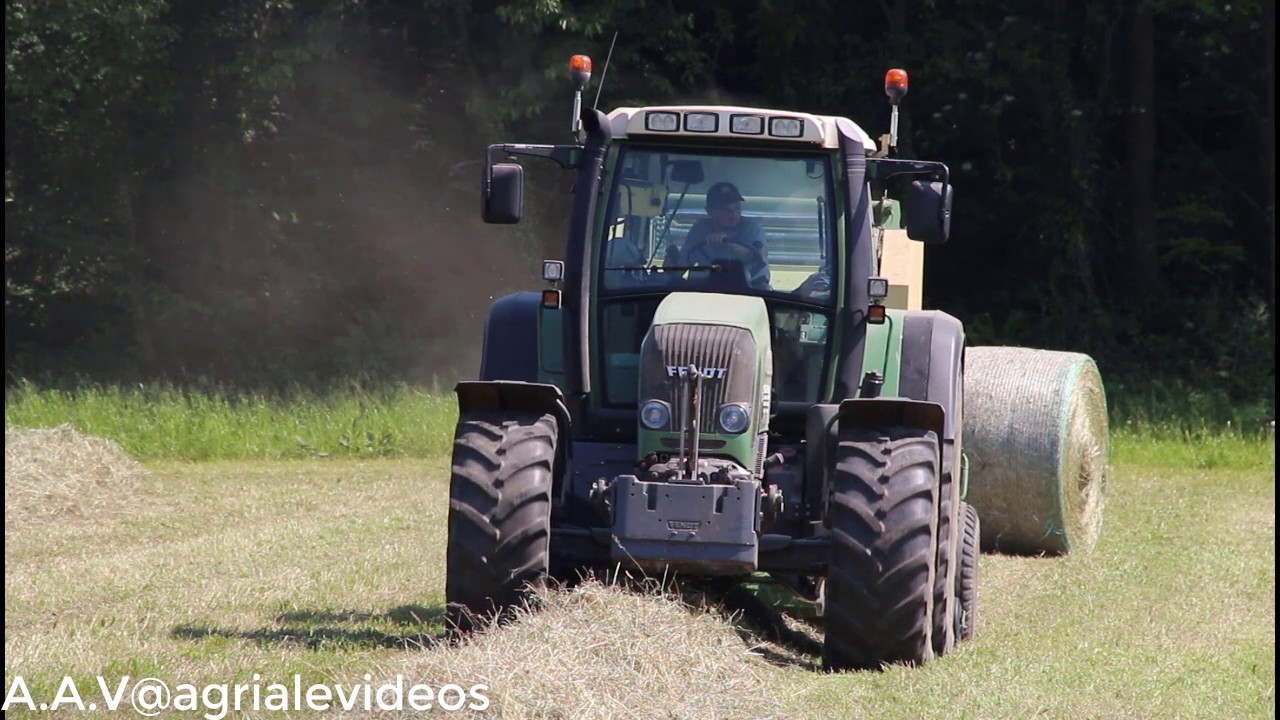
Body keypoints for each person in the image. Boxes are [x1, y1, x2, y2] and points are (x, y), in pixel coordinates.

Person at [677, 182, 771, 289]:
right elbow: (682, 265)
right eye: (727, 210)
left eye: (737, 208)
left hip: (751, 290)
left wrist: (727, 243)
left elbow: (753, 257)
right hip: (705, 291)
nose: (734, 215)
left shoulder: (752, 229)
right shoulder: (700, 229)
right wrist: (671, 266)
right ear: (710, 211)